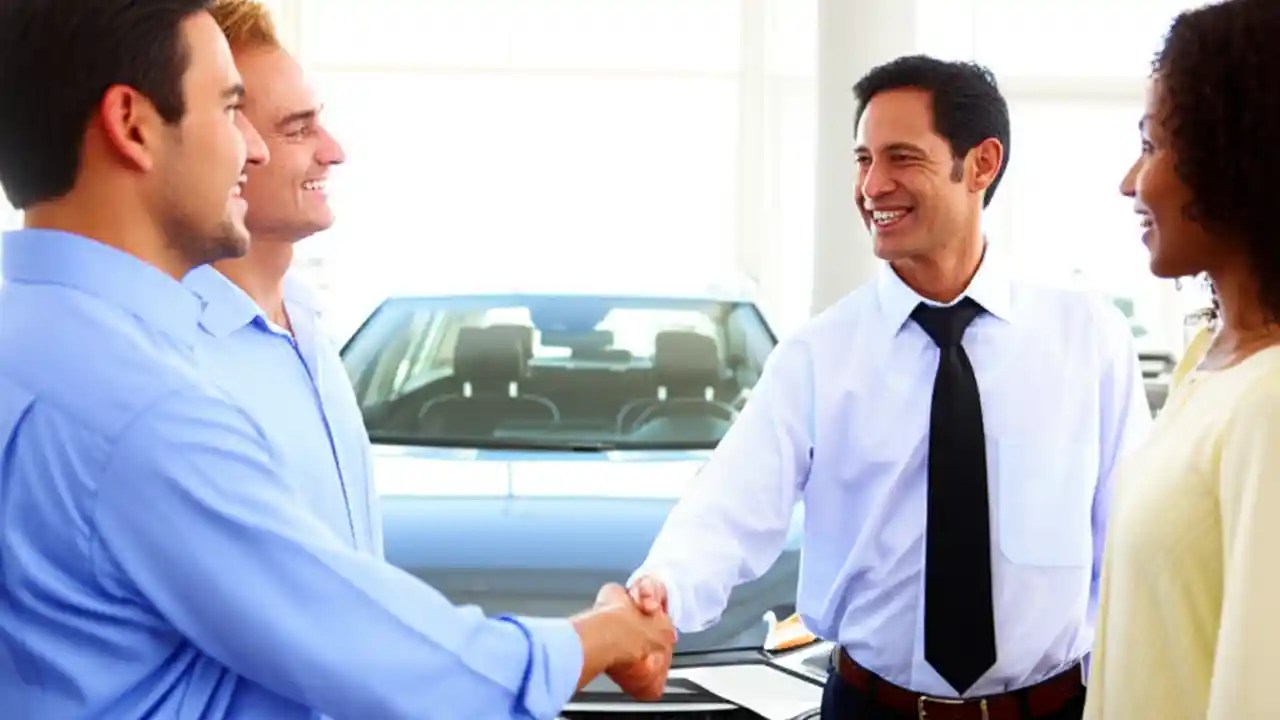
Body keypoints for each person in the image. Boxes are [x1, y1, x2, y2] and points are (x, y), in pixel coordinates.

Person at [0, 2, 672, 718]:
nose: (251, 151)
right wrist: (607, 636)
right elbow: (394, 663)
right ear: (132, 125)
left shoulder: (31, 338)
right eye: (230, 111)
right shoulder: (146, 410)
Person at [624, 55, 1152, 719]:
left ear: (981, 165)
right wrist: (655, 596)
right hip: (872, 709)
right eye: (863, 159)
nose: (873, 185)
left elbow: (1129, 543)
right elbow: (726, 512)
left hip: (1053, 710)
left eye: (901, 158)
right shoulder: (819, 354)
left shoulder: (1089, 338)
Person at [1084, 1, 1280, 718]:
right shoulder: (1212, 357)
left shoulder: (1270, 403)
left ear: (1236, 155)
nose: (1132, 181)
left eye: (1153, 143)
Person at [184, 0, 378, 558]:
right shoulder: (180, 360)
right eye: (299, 130)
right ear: (229, 144)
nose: (334, 152)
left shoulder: (309, 322)